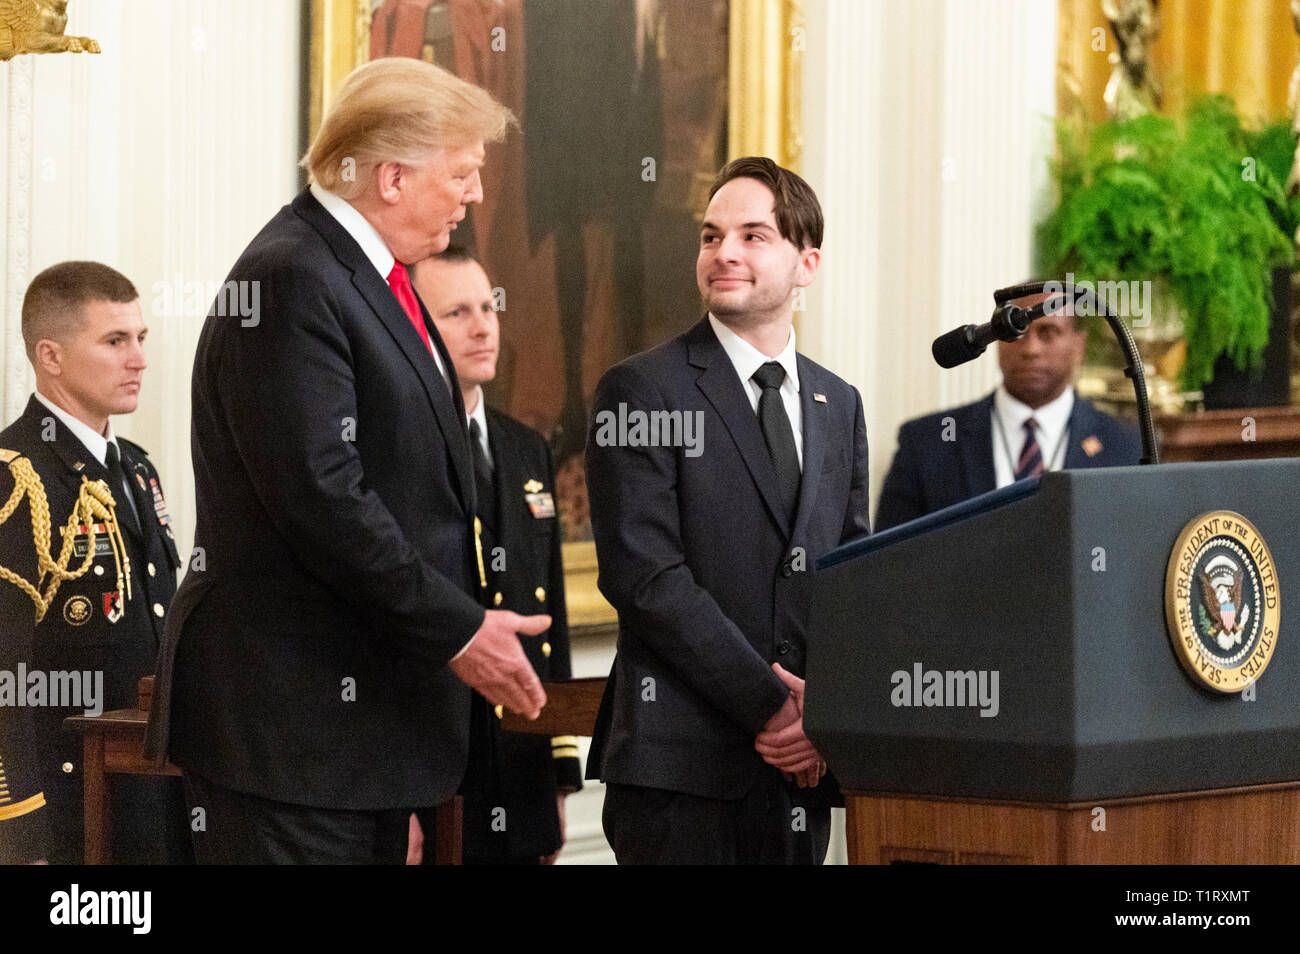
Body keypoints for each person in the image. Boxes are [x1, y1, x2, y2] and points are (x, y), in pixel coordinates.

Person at [144, 58, 550, 865]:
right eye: (463, 173)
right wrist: (459, 630)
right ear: (393, 177)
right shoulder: (293, 276)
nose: (475, 194)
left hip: (357, 739)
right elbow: (324, 498)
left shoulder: (370, 276)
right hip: (293, 732)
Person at [584, 157, 871, 864]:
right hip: (681, 772)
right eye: (712, 237)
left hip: (799, 771)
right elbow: (645, 578)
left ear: (807, 264)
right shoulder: (642, 390)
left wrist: (823, 715)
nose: (725, 254)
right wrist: (772, 707)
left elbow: (853, 580)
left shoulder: (841, 405)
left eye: (752, 236)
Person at [0, 261, 187, 864]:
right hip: (66, 810)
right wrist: (19, 834)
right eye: (114, 341)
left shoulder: (135, 468)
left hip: (149, 797)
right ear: (49, 356)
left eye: (141, 339)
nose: (138, 360)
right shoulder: (17, 476)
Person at [410, 246, 581, 865]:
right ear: (413, 327)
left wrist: (561, 773)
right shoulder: (401, 449)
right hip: (435, 765)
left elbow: (550, 611)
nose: (483, 326)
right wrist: (397, 797)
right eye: (457, 313)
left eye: (488, 307)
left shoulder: (525, 446)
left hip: (522, 756)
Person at [874, 293, 1142, 531]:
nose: (1031, 349)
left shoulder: (1126, 444)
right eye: (1017, 333)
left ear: (1078, 346)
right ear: (997, 341)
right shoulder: (927, 442)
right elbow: (888, 565)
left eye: (1048, 333)